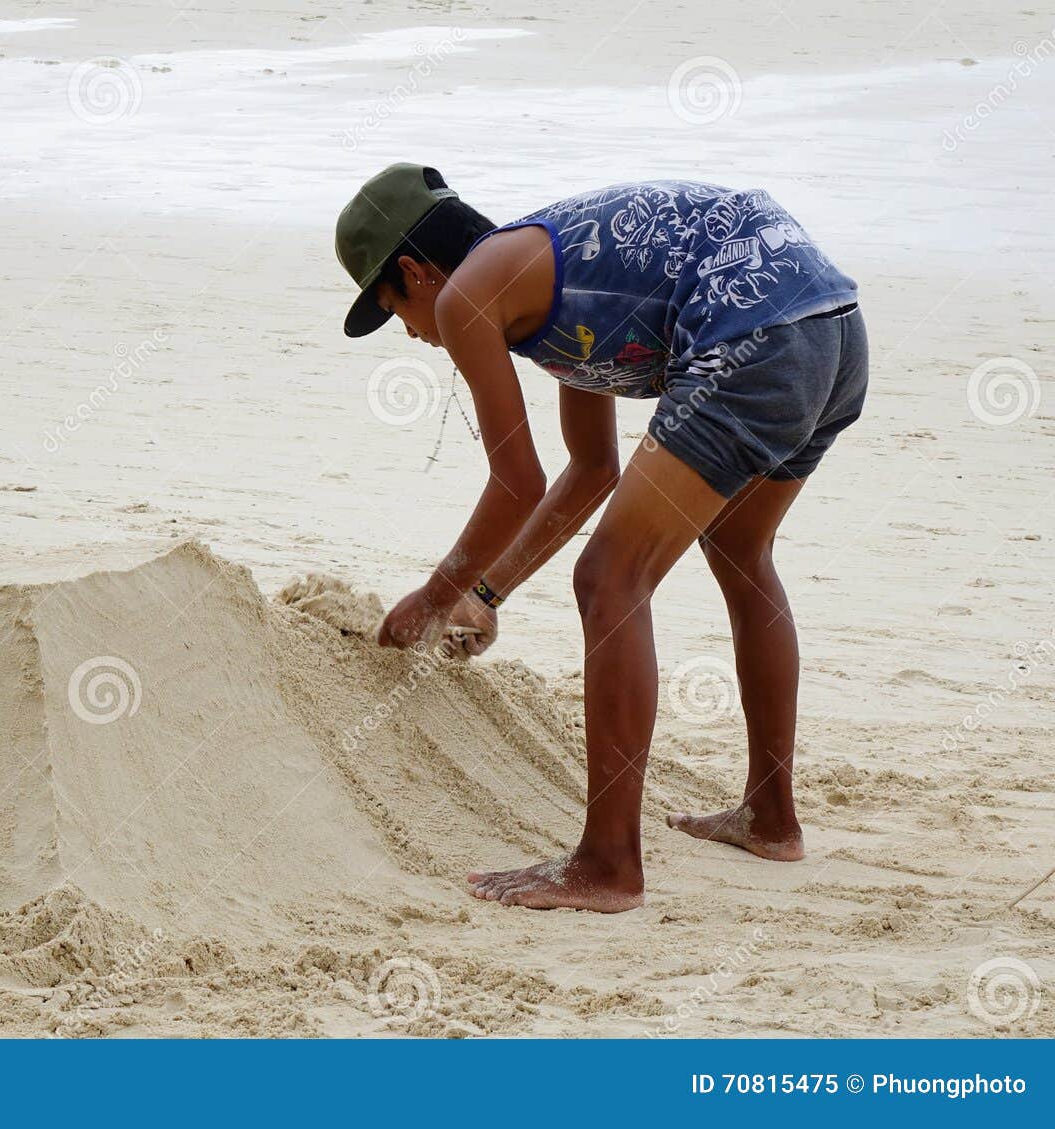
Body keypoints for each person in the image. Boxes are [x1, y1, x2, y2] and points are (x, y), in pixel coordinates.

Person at [335, 164, 867, 912]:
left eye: (394, 309)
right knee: (740, 552)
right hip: (833, 332)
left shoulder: (465, 297)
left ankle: (609, 863)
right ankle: (771, 817)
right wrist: (487, 595)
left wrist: (434, 595)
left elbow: (516, 481)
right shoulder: (550, 274)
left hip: (755, 334)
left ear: (416, 273)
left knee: (608, 577)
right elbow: (590, 471)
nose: (415, 335)